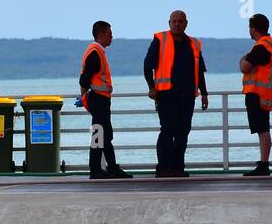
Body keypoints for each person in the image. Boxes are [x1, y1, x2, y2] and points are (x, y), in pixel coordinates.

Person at [144, 10, 208, 178]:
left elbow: (199, 71)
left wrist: (204, 93)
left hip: (187, 96)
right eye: (174, 21)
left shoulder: (194, 44)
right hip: (166, 95)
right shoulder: (160, 40)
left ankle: (178, 167)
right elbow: (147, 66)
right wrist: (152, 87)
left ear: (186, 23)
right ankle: (163, 168)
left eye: (181, 21)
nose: (177, 24)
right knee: (167, 131)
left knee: (183, 132)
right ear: (169, 23)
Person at [79, 21, 130, 179]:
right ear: (101, 35)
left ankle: (111, 168)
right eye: (109, 34)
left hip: (100, 99)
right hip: (98, 99)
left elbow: (86, 78)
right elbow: (84, 79)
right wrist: (85, 96)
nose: (111, 37)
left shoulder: (96, 51)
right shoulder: (95, 52)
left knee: (105, 134)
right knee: (99, 134)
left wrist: (85, 96)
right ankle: (96, 169)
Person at [238, 13, 272, 177]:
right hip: (262, 94)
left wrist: (243, 59)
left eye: (250, 27)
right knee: (263, 129)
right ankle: (263, 163)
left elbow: (244, 67)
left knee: (262, 129)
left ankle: (264, 164)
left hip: (257, 94)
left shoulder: (262, 47)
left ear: (253, 29)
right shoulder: (267, 44)